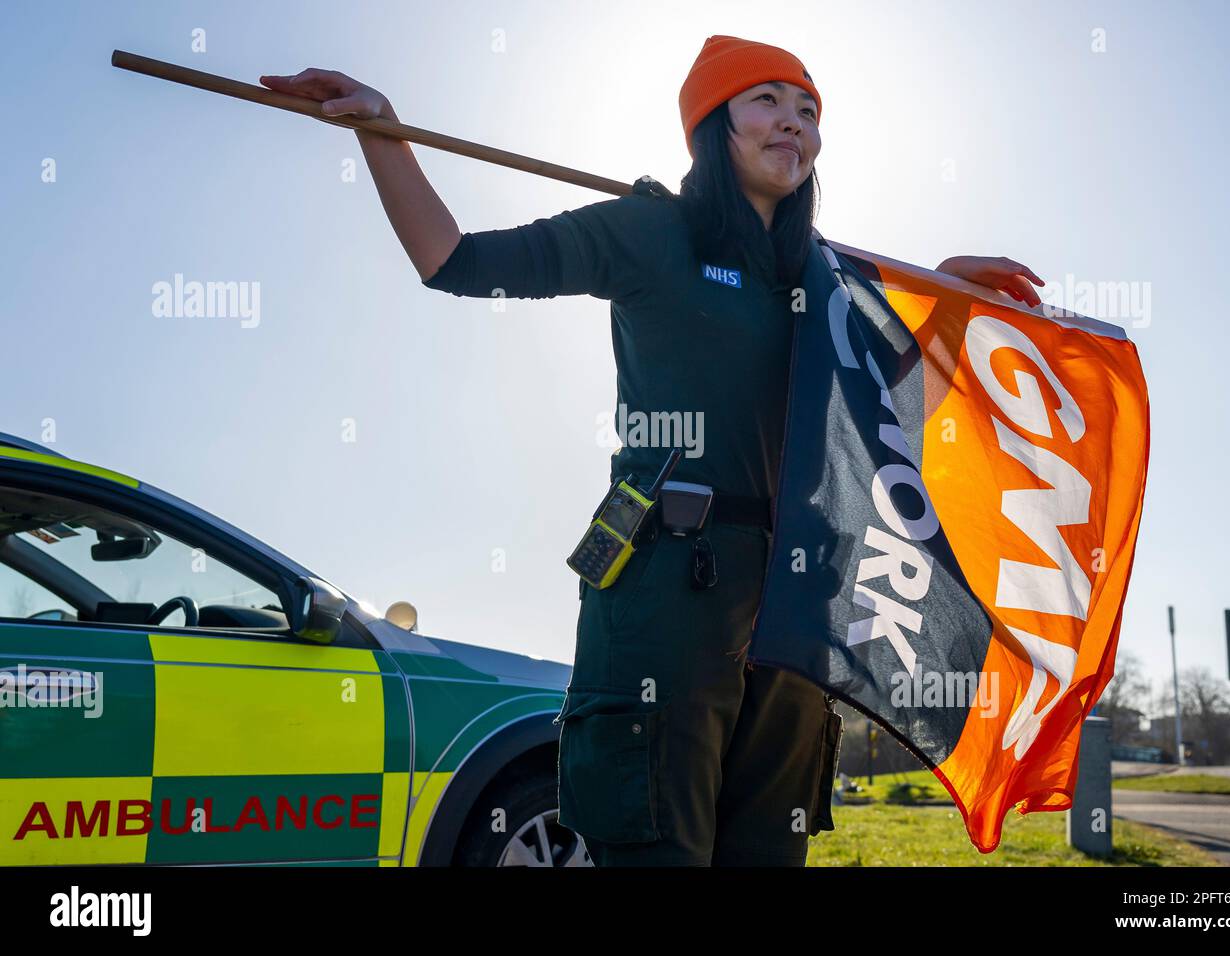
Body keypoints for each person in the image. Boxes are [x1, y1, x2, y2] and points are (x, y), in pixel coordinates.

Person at [260, 34, 1045, 867]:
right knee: (656, 847)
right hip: (667, 581)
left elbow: (881, 404)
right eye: (768, 102)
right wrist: (384, 133)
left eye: (809, 110)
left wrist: (941, 294)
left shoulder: (829, 279)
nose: (794, 124)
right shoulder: (647, 231)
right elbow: (453, 260)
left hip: (796, 602)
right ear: (714, 124)